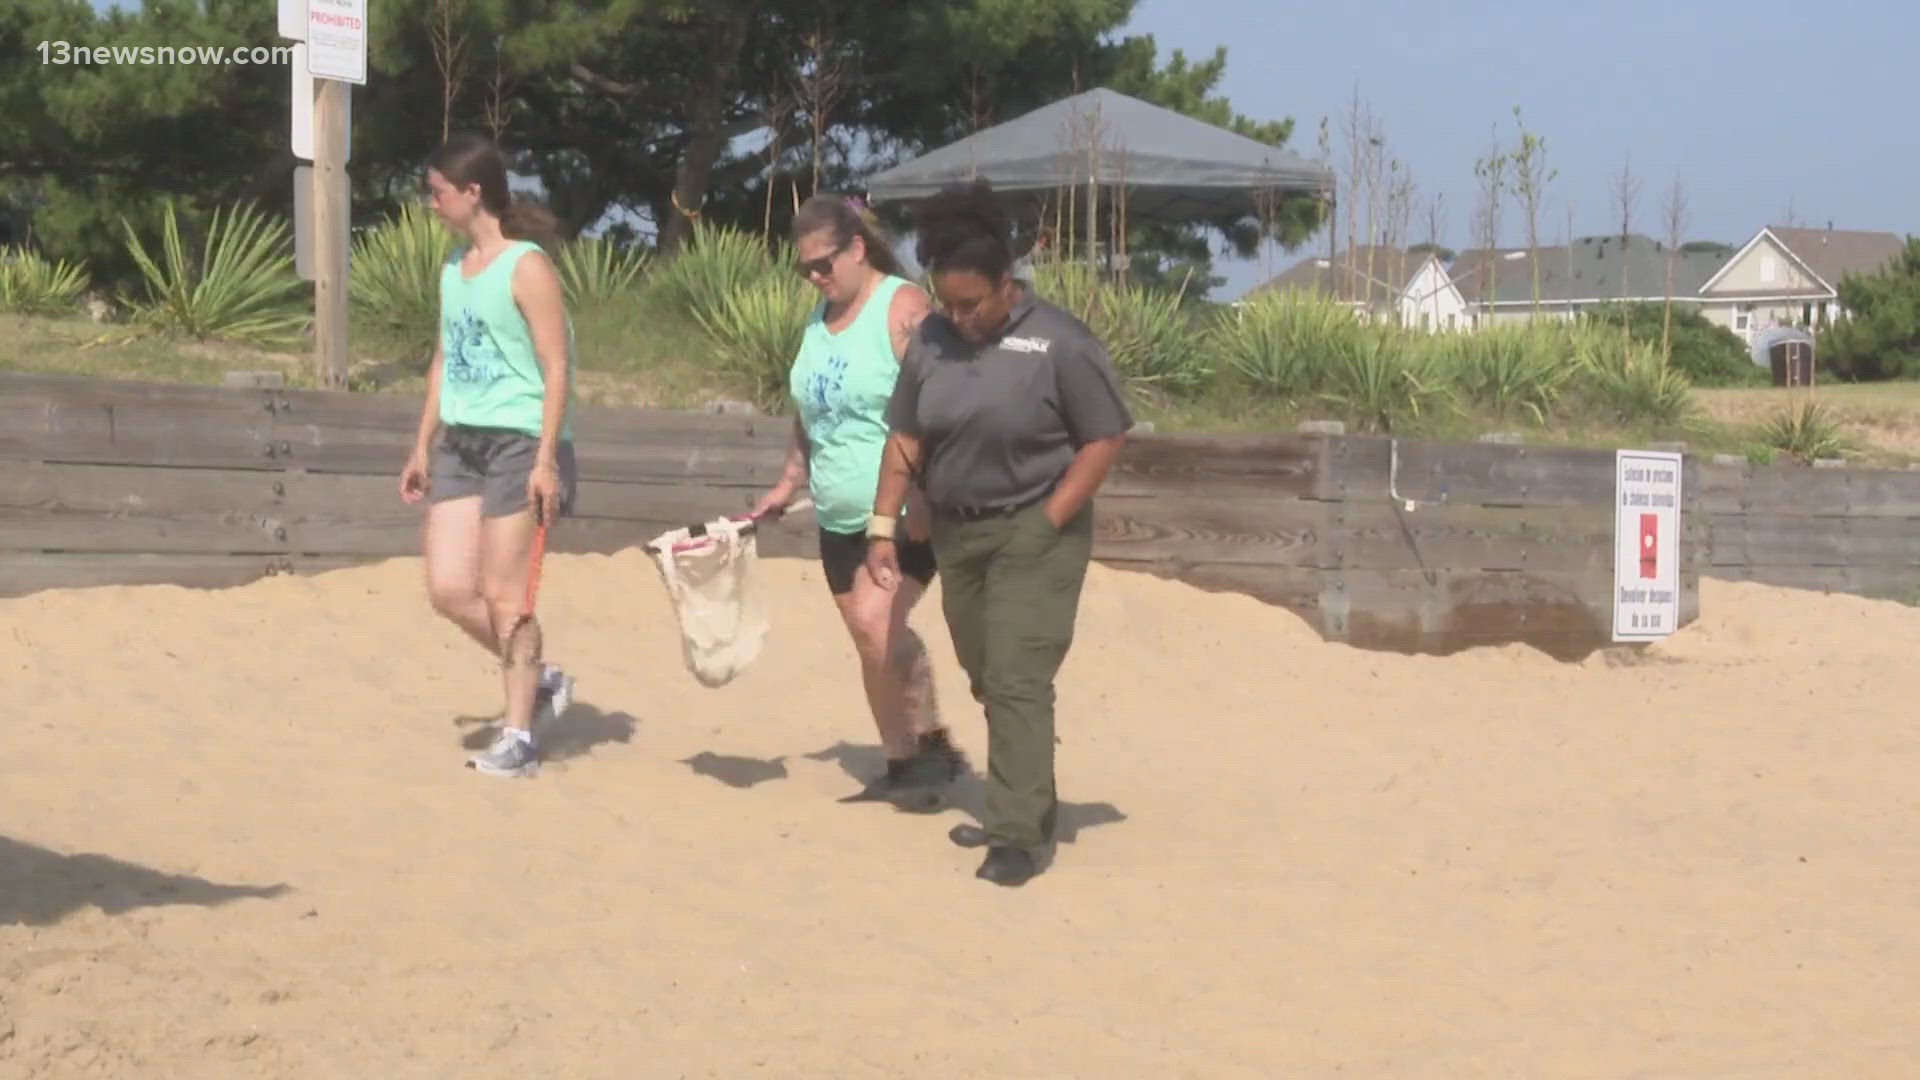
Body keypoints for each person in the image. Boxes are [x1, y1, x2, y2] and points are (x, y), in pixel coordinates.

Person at [864, 179, 1134, 887]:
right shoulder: (933, 340)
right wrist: (882, 524)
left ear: (1006, 284)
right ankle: (1031, 801)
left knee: (1017, 678)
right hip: (958, 534)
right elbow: (906, 434)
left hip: (1036, 530)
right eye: (948, 302)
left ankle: (1016, 836)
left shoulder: (1059, 344)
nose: (959, 316)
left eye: (971, 303)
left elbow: (1105, 437)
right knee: (988, 673)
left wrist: (1050, 519)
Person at [751, 193, 965, 807]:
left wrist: (923, 495)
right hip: (838, 515)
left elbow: (937, 406)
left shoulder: (902, 308)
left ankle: (930, 748)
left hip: (899, 511)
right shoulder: (817, 324)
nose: (816, 278)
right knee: (871, 641)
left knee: (879, 625)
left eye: (825, 264)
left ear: (856, 249)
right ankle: (906, 760)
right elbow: (809, 412)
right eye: (805, 270)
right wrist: (789, 482)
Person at [400, 130, 579, 778]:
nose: (431, 204)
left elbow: (556, 366)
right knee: (449, 590)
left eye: (437, 193)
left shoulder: (525, 265)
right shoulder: (454, 269)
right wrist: (422, 444)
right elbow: (445, 360)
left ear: (473, 193)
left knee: (506, 596)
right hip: (461, 442)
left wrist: (545, 461)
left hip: (517, 443)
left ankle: (520, 738)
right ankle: (543, 677)